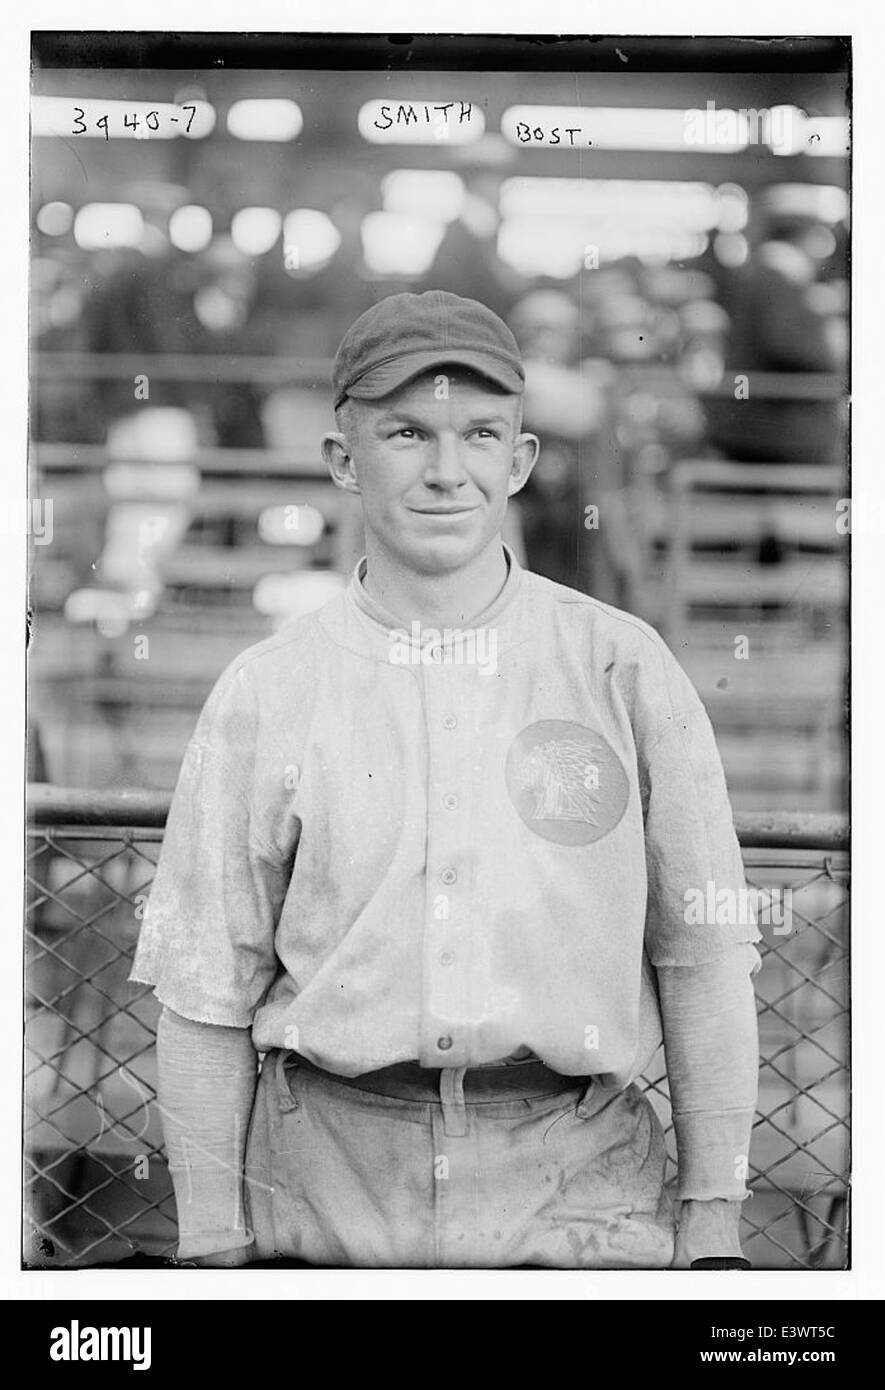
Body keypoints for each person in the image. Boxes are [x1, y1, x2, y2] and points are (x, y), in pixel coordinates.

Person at [131, 290, 760, 1270]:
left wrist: (714, 1221)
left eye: (479, 435)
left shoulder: (621, 669)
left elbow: (704, 959)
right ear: (344, 460)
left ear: (519, 460)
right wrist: (214, 1245)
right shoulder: (268, 689)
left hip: (580, 1197)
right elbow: (205, 996)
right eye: (406, 432)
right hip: (328, 1195)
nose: (445, 470)